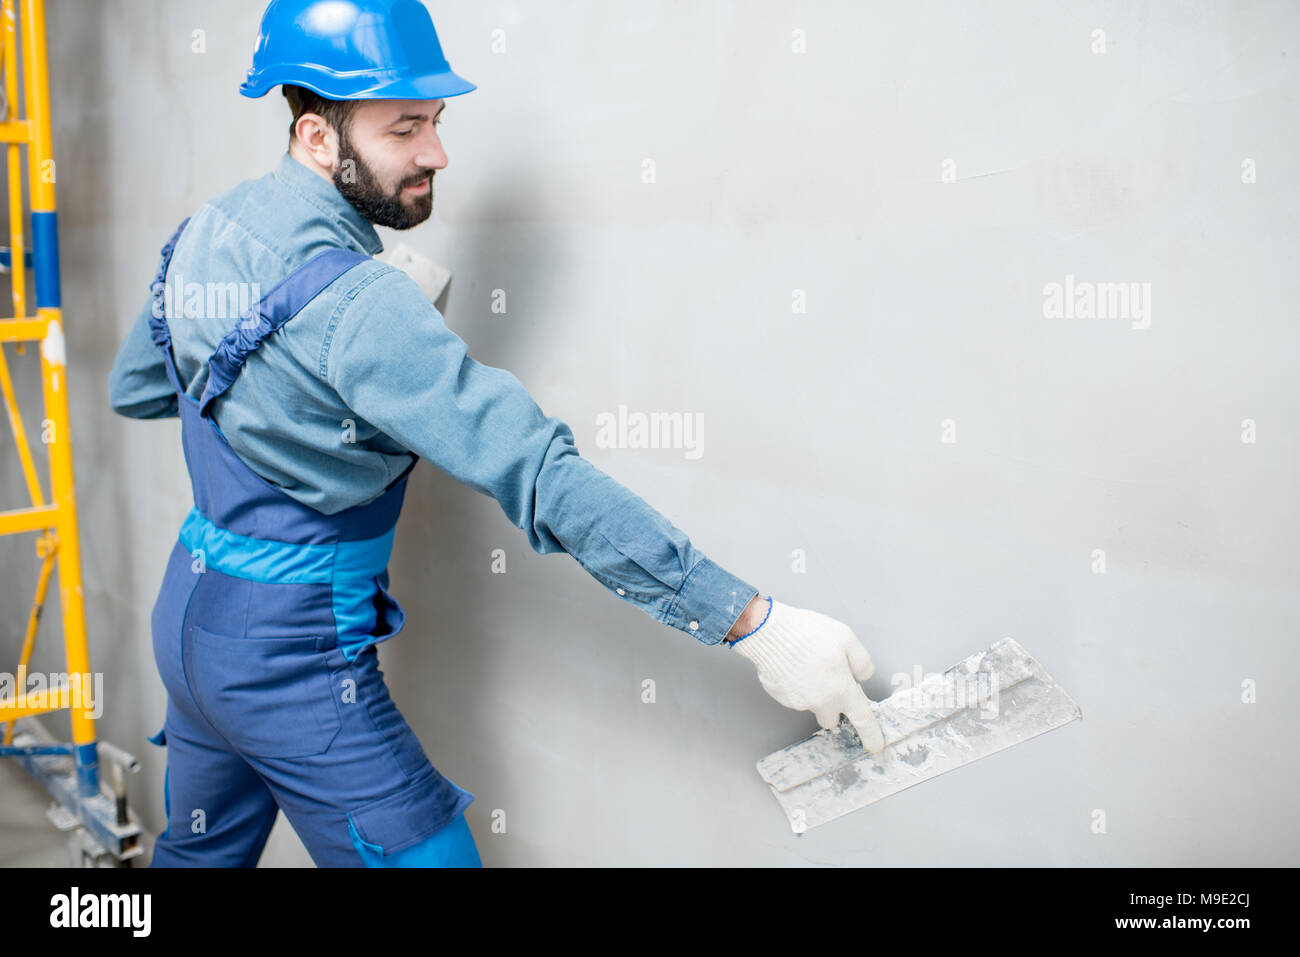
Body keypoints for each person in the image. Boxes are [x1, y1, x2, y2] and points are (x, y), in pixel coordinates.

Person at [107, 0, 884, 868]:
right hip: (290, 660)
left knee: (195, 857)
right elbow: (542, 476)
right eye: (406, 129)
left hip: (190, 622)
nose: (437, 153)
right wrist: (755, 623)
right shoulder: (367, 305)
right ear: (317, 137)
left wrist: (294, 394)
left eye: (436, 122)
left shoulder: (202, 232)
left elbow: (139, 388)